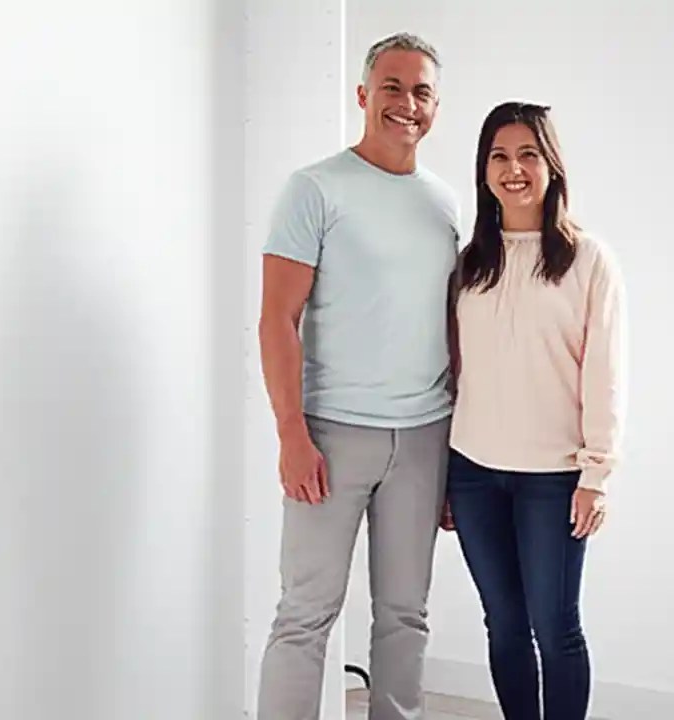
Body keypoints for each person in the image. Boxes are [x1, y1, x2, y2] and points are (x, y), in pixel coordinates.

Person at [256, 32, 461, 720]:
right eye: (393, 87)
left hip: (425, 437)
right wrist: (292, 433)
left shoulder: (444, 204)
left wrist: (453, 454)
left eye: (422, 91)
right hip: (332, 436)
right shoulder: (314, 188)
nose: (407, 104)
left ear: (436, 105)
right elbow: (276, 320)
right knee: (305, 614)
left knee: (406, 616)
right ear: (363, 95)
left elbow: (451, 331)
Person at [444, 101, 627, 720]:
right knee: (503, 625)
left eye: (527, 154)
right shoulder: (469, 263)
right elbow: (454, 372)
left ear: (551, 166)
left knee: (556, 629)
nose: (513, 169)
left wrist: (596, 474)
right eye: (498, 156)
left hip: (554, 477)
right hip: (473, 473)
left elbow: (604, 373)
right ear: (483, 170)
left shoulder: (588, 260)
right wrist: (444, 476)